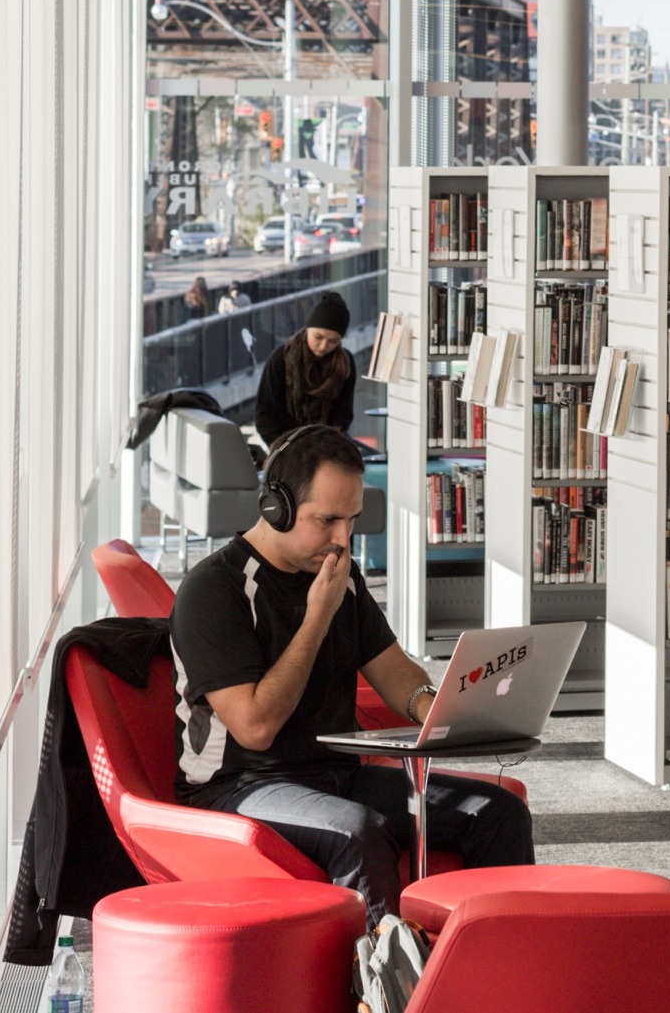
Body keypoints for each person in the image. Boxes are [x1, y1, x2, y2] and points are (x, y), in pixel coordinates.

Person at [169, 426, 533, 916]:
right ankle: (386, 991)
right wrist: (318, 616)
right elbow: (254, 728)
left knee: (497, 813)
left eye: (353, 520)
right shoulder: (214, 590)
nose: (343, 539)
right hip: (239, 787)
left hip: (338, 777)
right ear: (276, 507)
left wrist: (444, 711)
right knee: (357, 830)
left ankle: (493, 976)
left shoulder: (340, 571)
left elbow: (391, 669)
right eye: (328, 520)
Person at [253, 289, 355, 445]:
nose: (323, 346)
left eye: (333, 341)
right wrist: (283, 449)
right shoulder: (281, 359)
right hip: (285, 447)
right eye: (318, 337)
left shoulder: (345, 364)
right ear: (308, 329)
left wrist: (326, 445)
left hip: (326, 447)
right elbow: (264, 414)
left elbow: (343, 414)